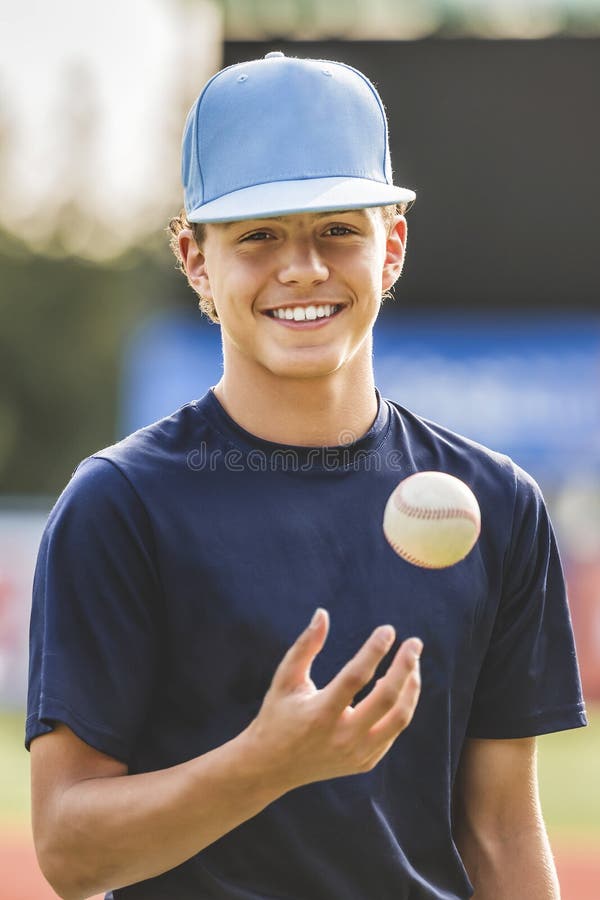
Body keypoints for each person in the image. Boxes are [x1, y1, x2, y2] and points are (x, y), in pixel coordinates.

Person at [27, 52, 586, 900]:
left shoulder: (497, 504)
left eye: (338, 230)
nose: (303, 268)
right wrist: (266, 765)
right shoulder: (121, 505)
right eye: (257, 235)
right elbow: (70, 851)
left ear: (391, 246)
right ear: (194, 260)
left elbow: (502, 828)